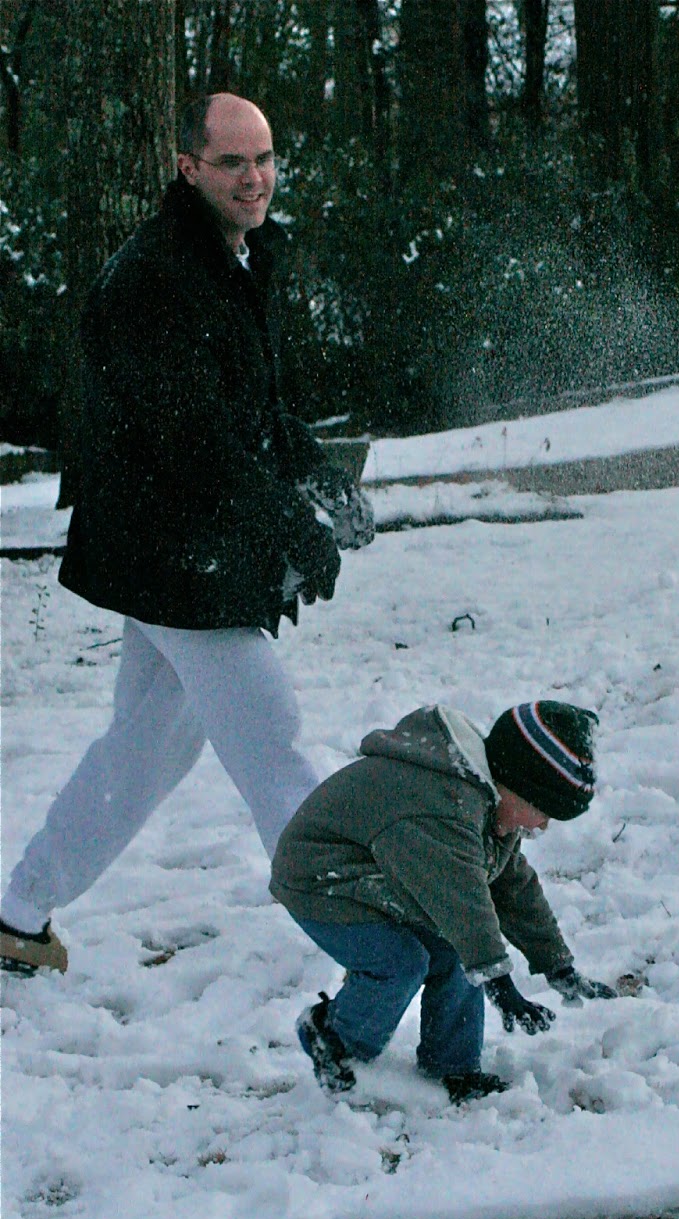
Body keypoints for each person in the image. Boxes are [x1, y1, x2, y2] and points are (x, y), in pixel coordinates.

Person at [1, 92, 372, 978]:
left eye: (265, 160)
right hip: (170, 555)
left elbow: (255, 406)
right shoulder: (156, 279)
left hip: (184, 549)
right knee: (271, 736)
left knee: (149, 749)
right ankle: (378, 941)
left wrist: (317, 477)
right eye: (233, 163)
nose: (254, 179)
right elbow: (194, 441)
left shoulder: (230, 258)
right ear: (189, 168)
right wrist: (291, 524)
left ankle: (16, 913)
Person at [270, 700, 618, 1104]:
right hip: (322, 876)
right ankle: (335, 1042)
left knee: (455, 950)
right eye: (542, 811)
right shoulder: (442, 807)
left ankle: (452, 1066)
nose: (542, 825)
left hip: (382, 876)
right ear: (517, 783)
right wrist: (500, 983)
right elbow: (463, 903)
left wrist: (558, 965)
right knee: (400, 962)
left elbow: (511, 888)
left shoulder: (485, 803)